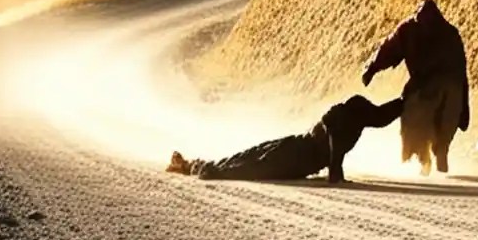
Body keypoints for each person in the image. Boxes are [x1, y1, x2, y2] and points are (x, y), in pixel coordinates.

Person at [166, 95, 403, 183]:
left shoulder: (355, 117)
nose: (370, 117)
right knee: (240, 166)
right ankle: (189, 165)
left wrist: (405, 101)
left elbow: (381, 117)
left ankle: (188, 164)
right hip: (292, 156)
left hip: (294, 150)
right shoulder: (341, 118)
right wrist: (335, 174)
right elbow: (334, 148)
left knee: (244, 161)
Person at [361, 0, 470, 175]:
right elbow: (389, 48)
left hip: (447, 86)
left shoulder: (448, 34)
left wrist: (464, 105)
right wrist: (372, 67)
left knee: (437, 119)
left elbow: (460, 70)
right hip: (428, 85)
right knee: (417, 118)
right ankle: (425, 159)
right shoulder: (410, 30)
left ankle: (438, 155)